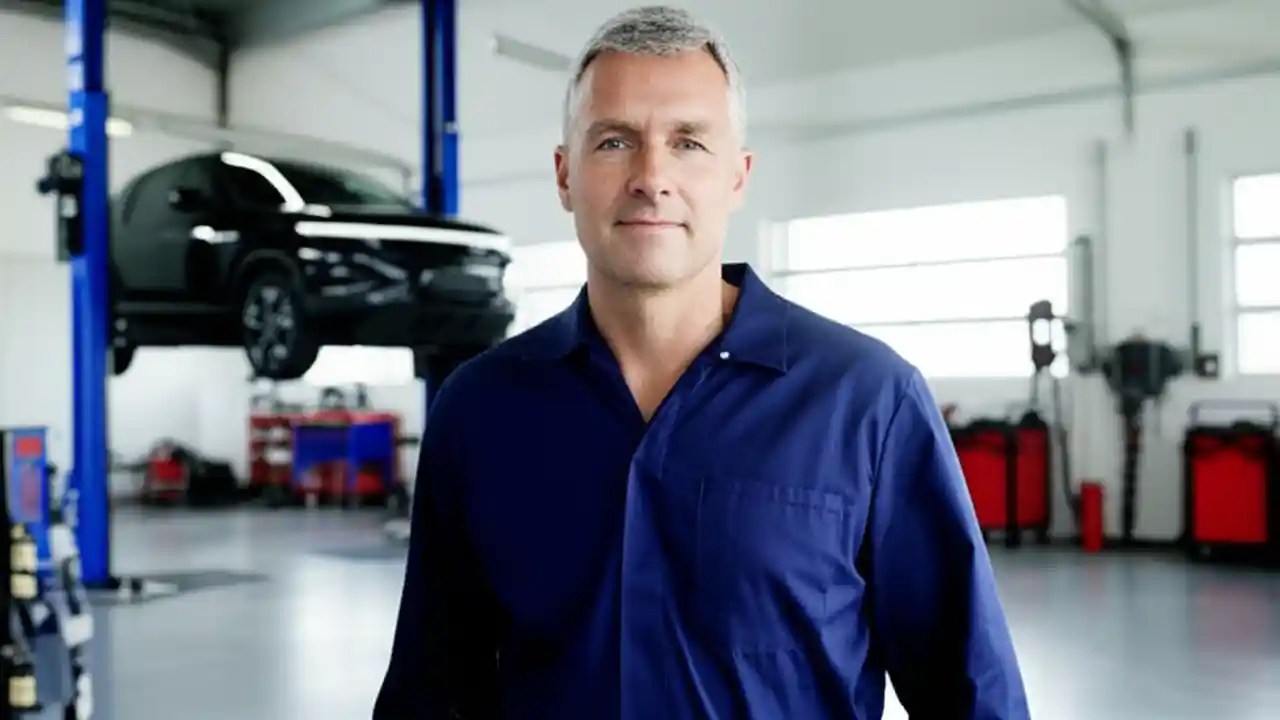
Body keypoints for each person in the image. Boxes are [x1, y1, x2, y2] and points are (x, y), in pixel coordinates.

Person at [374, 5, 1030, 719]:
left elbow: (970, 691)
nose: (652, 177)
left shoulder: (866, 399)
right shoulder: (481, 410)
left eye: (688, 142)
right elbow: (431, 689)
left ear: (738, 176)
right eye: (615, 140)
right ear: (565, 175)